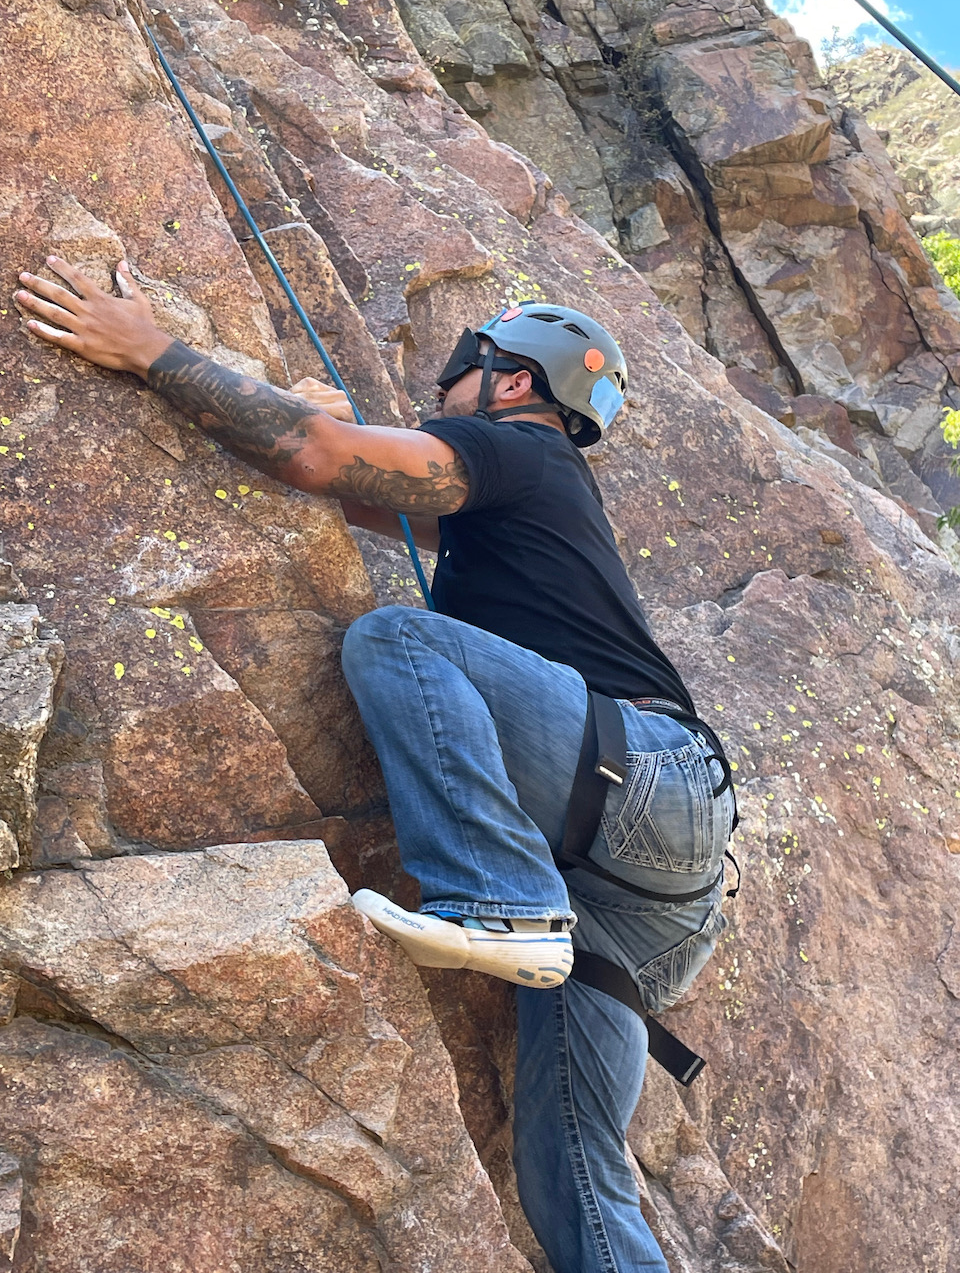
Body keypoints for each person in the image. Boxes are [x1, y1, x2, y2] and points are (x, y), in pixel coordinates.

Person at [16, 257, 737, 1273]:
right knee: (571, 1170)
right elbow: (353, 477)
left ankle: (496, 900)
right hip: (643, 885)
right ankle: (520, 911)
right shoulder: (531, 493)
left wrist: (152, 350)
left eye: (460, 365)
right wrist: (303, 417)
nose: (442, 385)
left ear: (514, 381)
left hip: (629, 789)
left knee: (397, 638)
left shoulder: (514, 452)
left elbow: (318, 455)